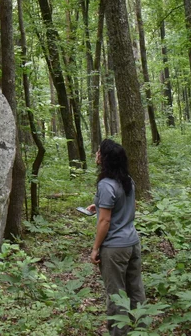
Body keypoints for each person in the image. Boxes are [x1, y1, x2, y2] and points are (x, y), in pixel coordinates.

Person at [85, 138, 145, 336]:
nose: (96, 154)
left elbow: (105, 222)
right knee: (135, 289)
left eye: (99, 152)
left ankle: (119, 333)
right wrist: (99, 206)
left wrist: (95, 249)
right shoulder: (127, 180)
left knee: (116, 294)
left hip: (114, 247)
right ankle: (140, 329)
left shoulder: (105, 184)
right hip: (133, 243)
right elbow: (128, 206)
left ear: (105, 158)